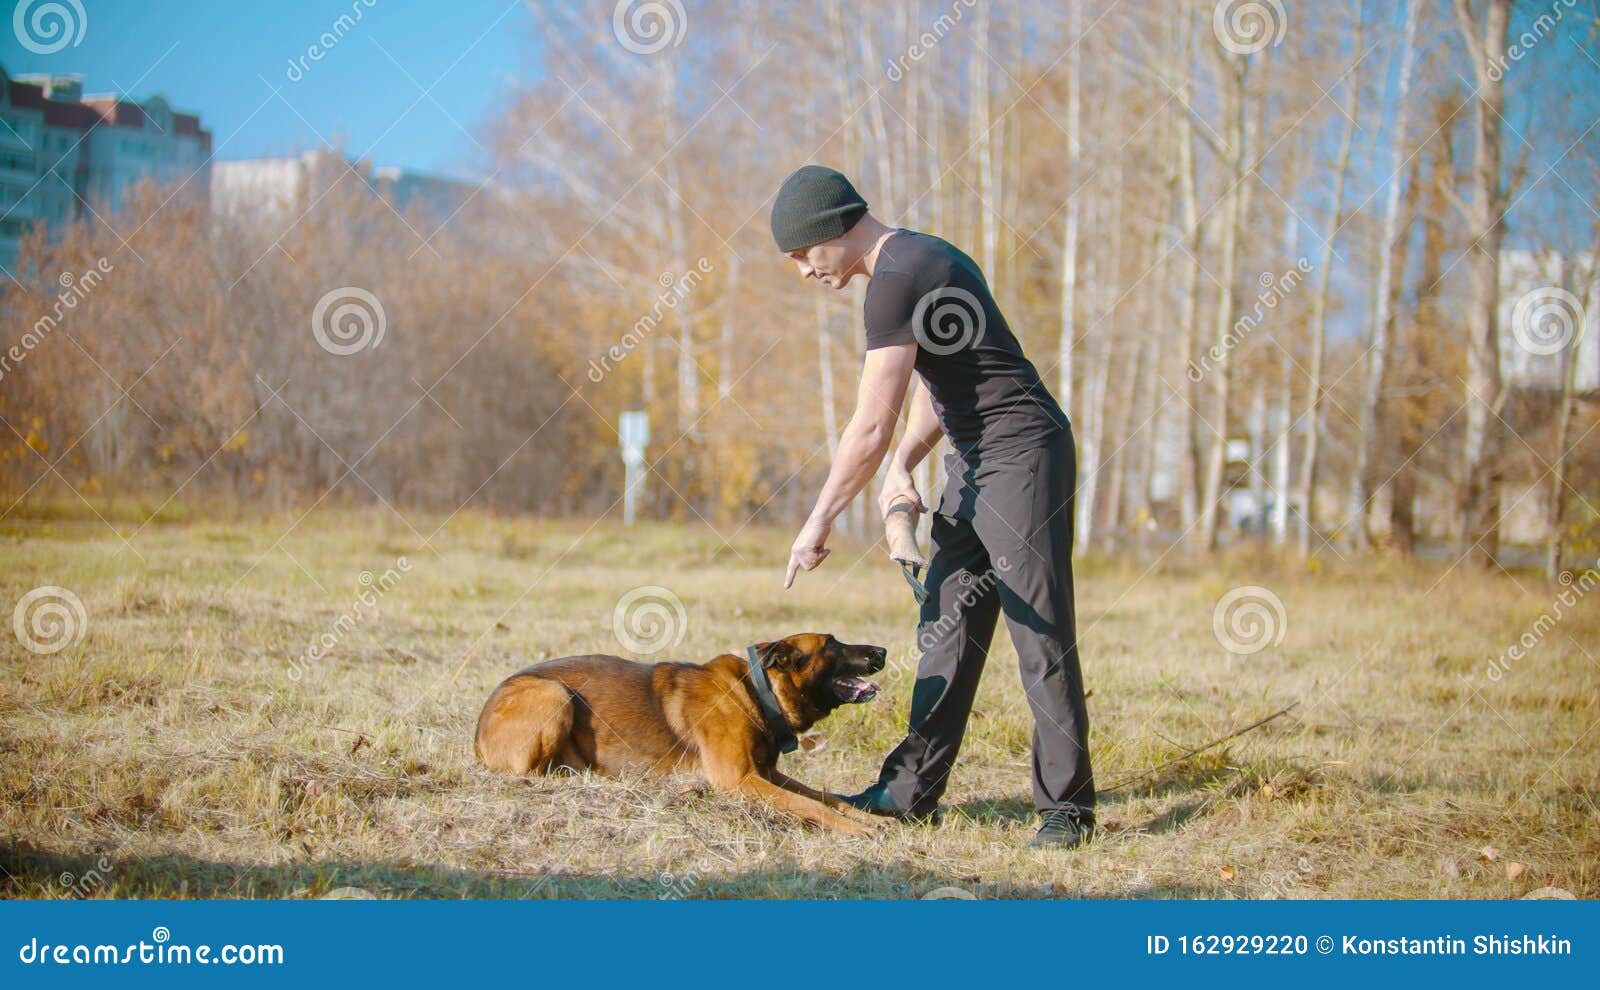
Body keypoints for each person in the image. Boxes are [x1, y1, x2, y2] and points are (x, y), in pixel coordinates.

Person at [772, 164, 1095, 849]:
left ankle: (1067, 810)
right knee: (946, 621)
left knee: (1039, 635)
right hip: (977, 462)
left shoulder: (894, 280)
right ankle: (908, 793)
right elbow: (938, 389)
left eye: (802, 254)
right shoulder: (920, 256)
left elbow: (868, 425)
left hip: (1025, 454)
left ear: (831, 228)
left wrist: (821, 517)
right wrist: (903, 469)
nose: (802, 271)